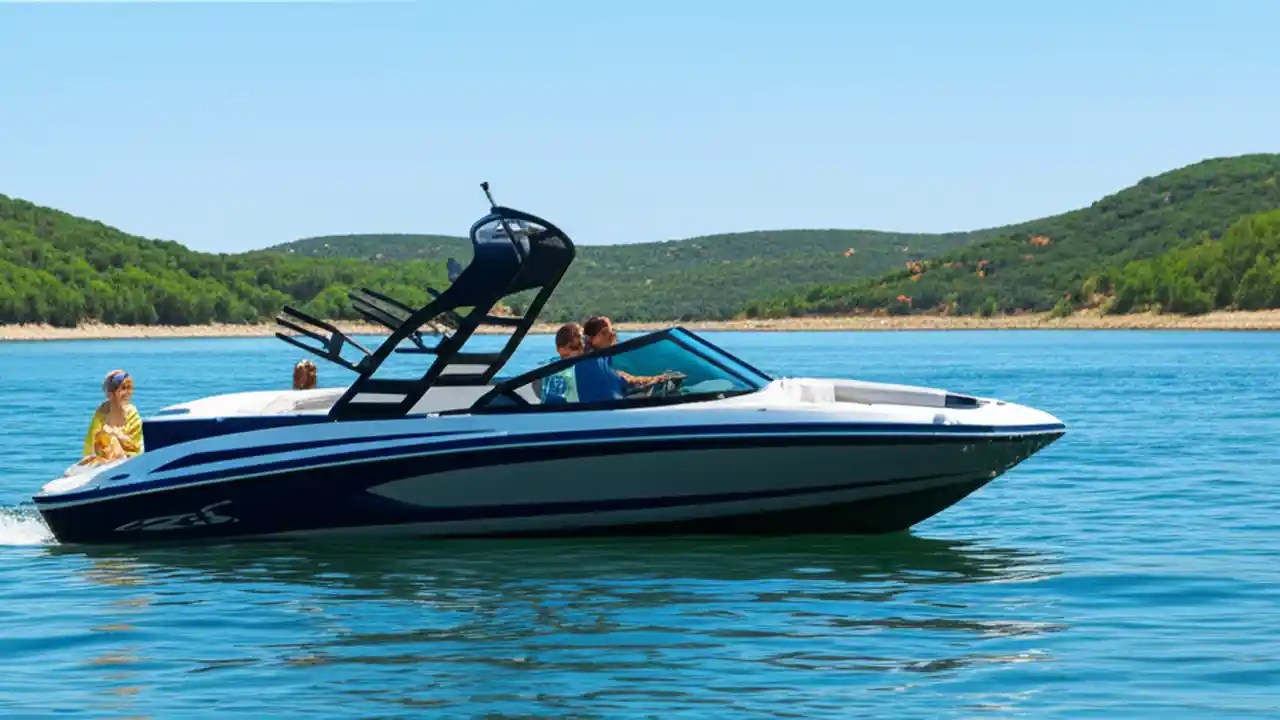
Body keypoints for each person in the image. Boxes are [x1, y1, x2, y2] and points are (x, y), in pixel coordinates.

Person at [576, 316, 672, 402]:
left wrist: (652, 380)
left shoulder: (603, 358)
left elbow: (618, 377)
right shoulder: (589, 362)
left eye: (611, 331)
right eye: (605, 332)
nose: (612, 335)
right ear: (591, 338)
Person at [83, 369, 143, 459]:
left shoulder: (131, 412)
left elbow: (136, 446)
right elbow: (90, 444)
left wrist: (117, 435)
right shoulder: (101, 412)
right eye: (123, 388)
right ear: (111, 393)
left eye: (129, 388)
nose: (127, 392)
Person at [540, 322, 584, 403]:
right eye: (564, 356)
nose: (568, 357)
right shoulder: (549, 365)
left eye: (574, 348)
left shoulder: (548, 365)